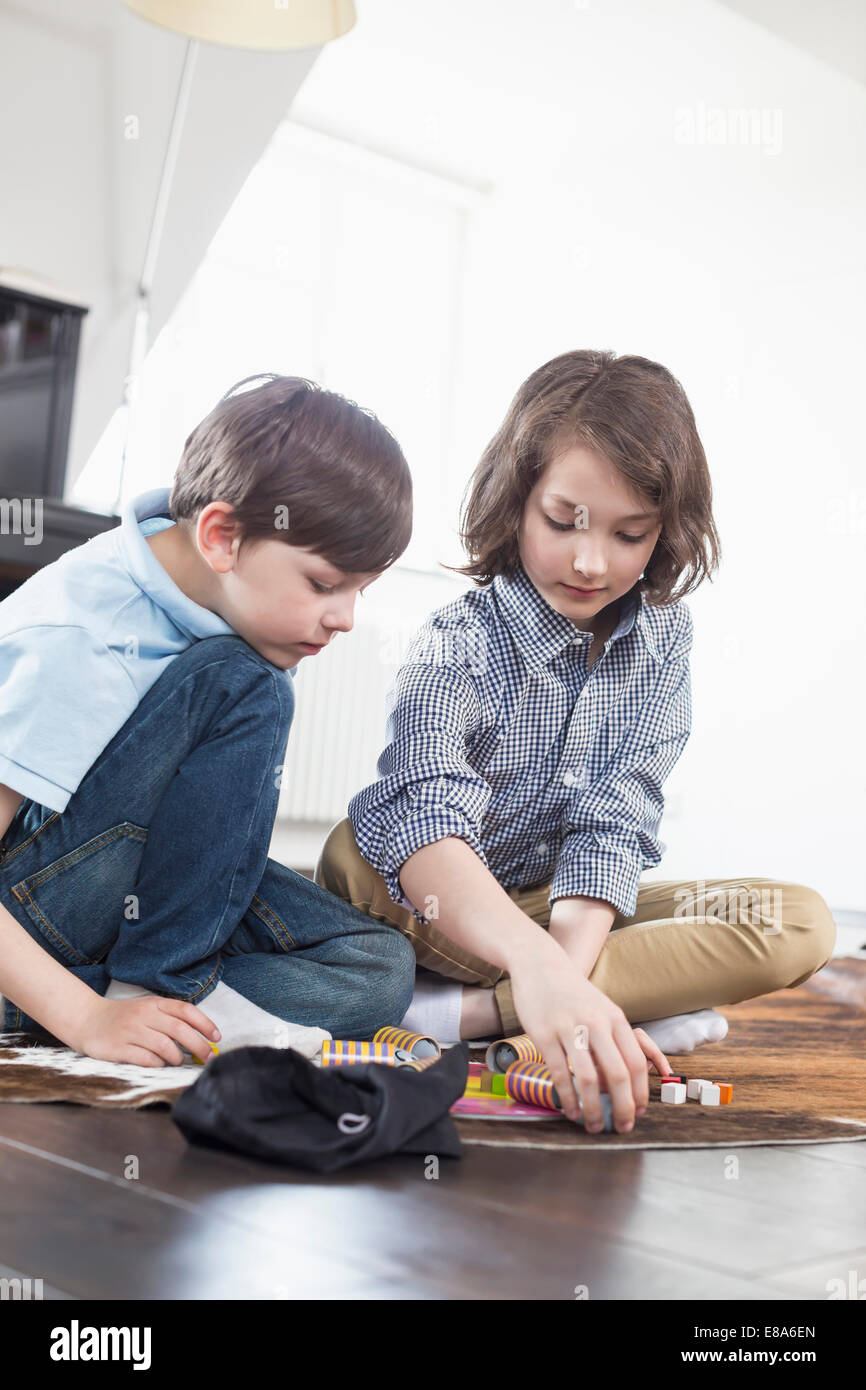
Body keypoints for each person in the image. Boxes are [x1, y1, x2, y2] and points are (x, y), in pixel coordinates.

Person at [315, 349, 837, 1132]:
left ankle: (468, 1019)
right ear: (517, 501)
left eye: (630, 535)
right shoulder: (454, 641)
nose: (592, 562)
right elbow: (425, 816)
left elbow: (615, 823)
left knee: (795, 919)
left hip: (547, 909)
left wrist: (556, 969)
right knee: (375, 858)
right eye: (564, 523)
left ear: (665, 533)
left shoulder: (664, 639)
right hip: (422, 898)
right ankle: (588, 1003)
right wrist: (544, 971)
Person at [0, 375, 417, 1068]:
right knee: (245, 683)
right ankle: (145, 990)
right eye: (324, 584)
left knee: (377, 967)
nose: (345, 618)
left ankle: (159, 1002)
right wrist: (87, 1020)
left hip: (108, 903)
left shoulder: (204, 584)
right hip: (33, 919)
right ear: (221, 536)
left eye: (360, 591)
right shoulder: (83, 635)